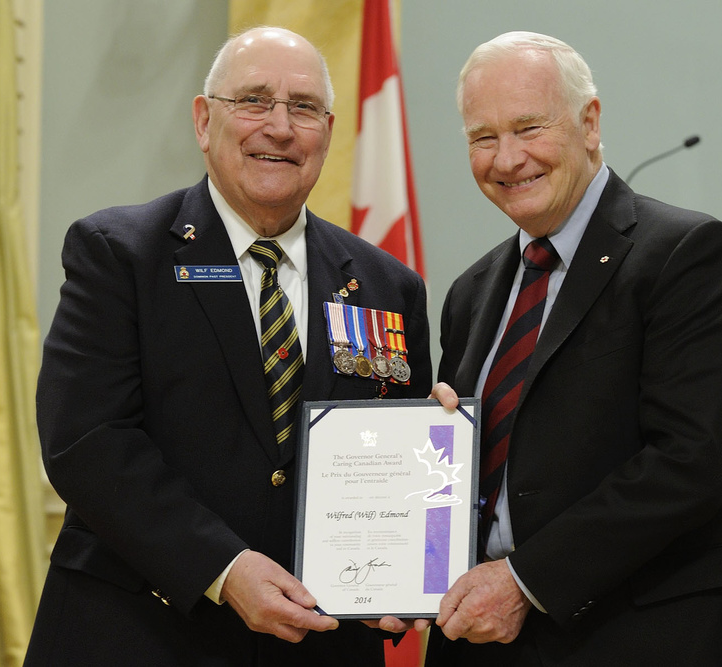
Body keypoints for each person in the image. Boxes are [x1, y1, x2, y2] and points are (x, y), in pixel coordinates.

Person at [23, 27, 431, 666]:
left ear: (328, 130)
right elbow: (87, 441)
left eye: (303, 107)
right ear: (203, 120)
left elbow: (391, 464)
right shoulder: (121, 254)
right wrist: (223, 567)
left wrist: (424, 490)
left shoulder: (386, 285)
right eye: (253, 101)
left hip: (318, 645)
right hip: (141, 633)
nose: (279, 126)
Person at [425, 31, 722, 665]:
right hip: (489, 643)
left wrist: (525, 582)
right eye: (483, 137)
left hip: (646, 638)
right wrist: (434, 448)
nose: (507, 160)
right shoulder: (471, 292)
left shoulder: (685, 254)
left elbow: (690, 463)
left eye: (529, 128)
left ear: (589, 124)